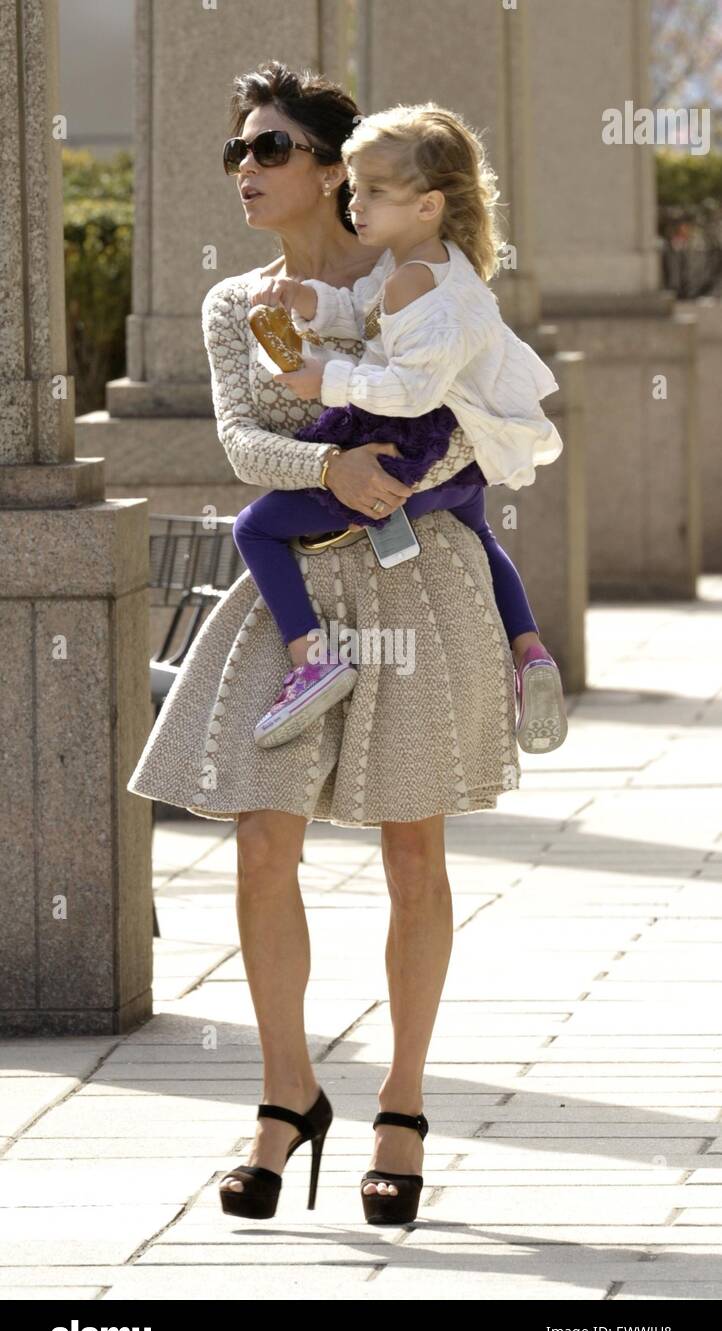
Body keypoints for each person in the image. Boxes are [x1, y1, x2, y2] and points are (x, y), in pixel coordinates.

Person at [126, 60, 542, 1225]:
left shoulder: (421, 279)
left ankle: (400, 1106)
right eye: (235, 153)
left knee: (413, 848)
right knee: (263, 836)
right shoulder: (239, 305)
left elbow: (472, 414)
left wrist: (398, 474)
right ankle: (283, 1096)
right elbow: (240, 442)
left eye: (268, 150)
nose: (245, 172)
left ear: (330, 167)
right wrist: (330, 465)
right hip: (290, 586)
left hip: (415, 578)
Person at [231, 103, 567, 756]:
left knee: (256, 527)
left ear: (428, 204)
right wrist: (309, 301)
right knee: (479, 527)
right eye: (356, 188)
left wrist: (321, 380)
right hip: (455, 460)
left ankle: (312, 659)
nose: (358, 204)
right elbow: (363, 316)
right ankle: (529, 652)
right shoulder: (425, 265)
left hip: (408, 441)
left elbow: (412, 391)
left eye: (377, 192)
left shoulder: (418, 284)